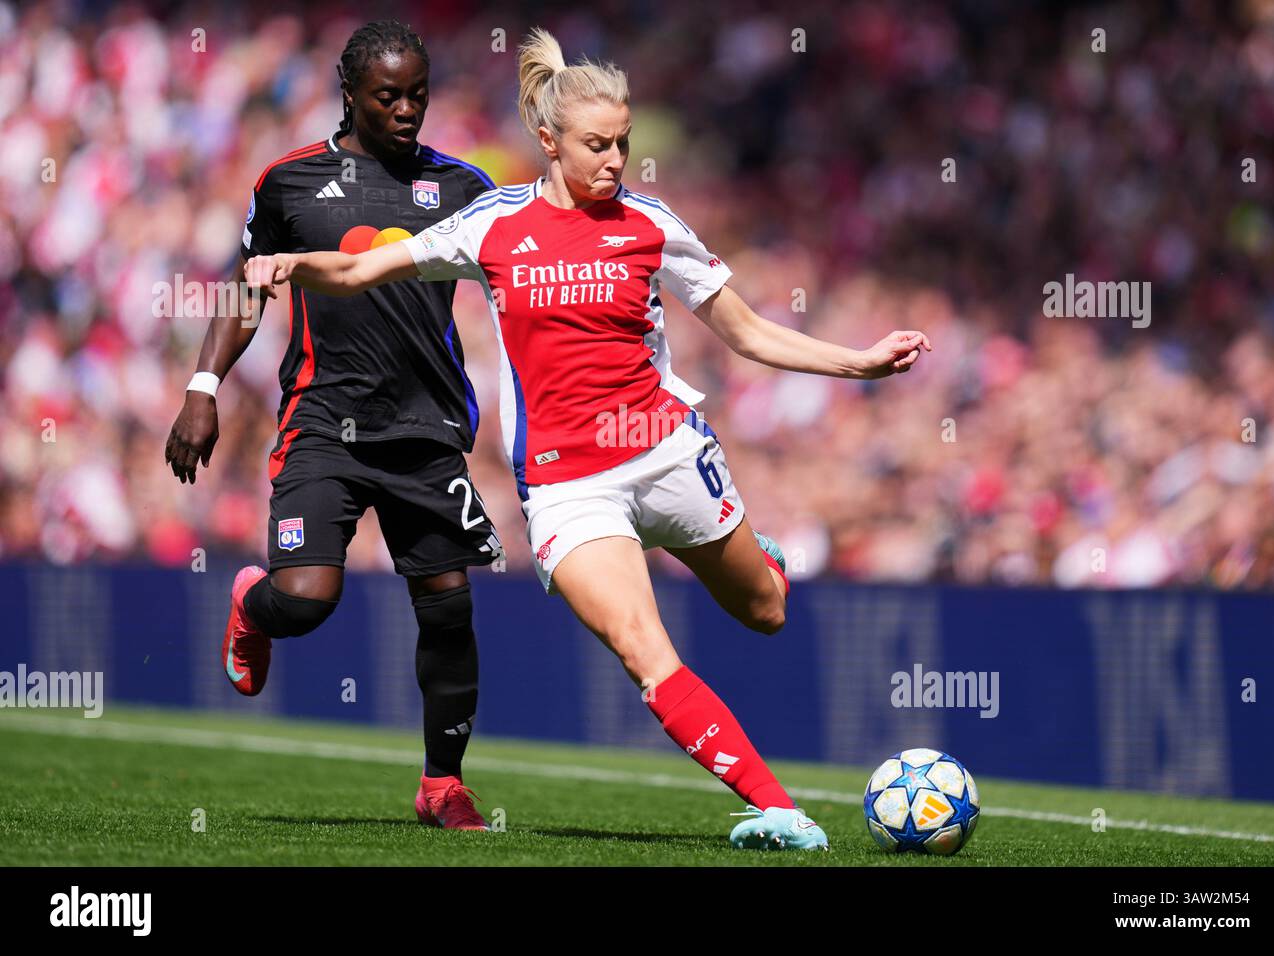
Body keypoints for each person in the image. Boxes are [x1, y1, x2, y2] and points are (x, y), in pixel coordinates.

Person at [242, 27, 932, 850]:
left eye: (624, 144)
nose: (616, 161)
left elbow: (745, 333)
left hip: (666, 450)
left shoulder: (649, 223)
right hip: (571, 488)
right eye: (597, 145)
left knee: (767, 610)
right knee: (646, 651)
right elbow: (361, 269)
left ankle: (759, 557)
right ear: (549, 142)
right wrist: (289, 265)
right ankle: (778, 809)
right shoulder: (493, 224)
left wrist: (858, 364)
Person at [164, 20, 503, 830]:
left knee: (448, 608)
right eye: (390, 96)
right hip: (324, 420)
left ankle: (442, 784)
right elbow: (246, 290)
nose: (408, 110)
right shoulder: (289, 182)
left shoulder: (463, 187)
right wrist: (203, 386)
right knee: (308, 600)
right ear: (350, 93)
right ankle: (255, 605)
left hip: (425, 428)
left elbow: (520, 274)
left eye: (419, 94)